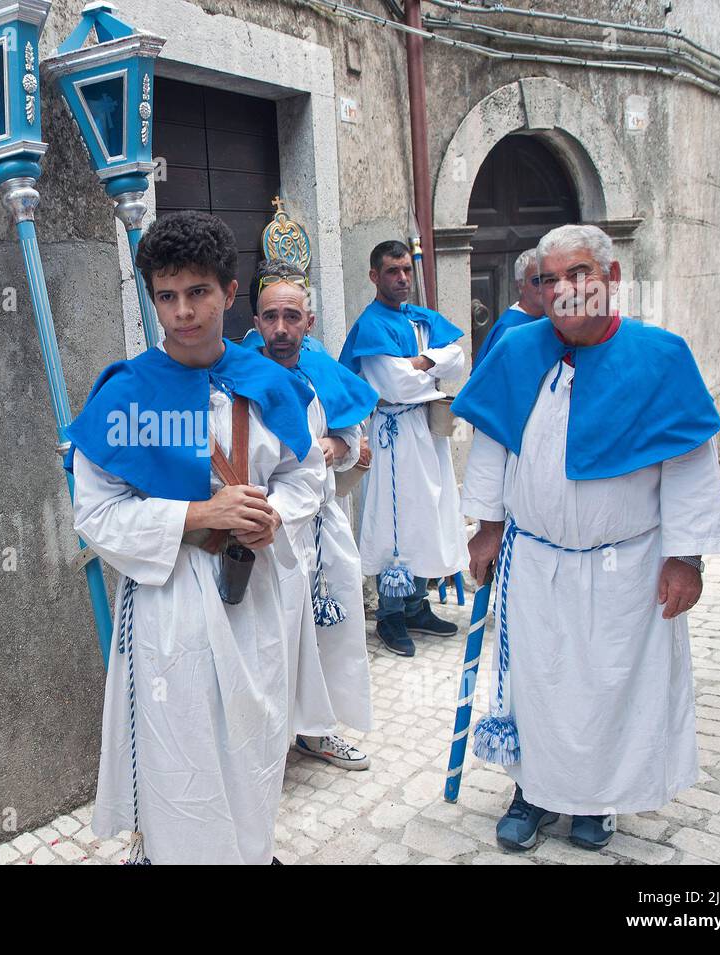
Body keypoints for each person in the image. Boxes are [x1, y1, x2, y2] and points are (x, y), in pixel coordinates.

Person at [453, 224, 720, 851]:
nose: (563, 290)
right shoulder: (517, 349)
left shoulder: (661, 357)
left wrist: (685, 558)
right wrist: (487, 527)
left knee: (610, 686)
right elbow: (492, 442)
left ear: (613, 278)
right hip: (535, 561)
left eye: (578, 274)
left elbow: (689, 464)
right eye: (548, 279)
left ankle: (598, 801)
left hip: (626, 569)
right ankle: (532, 791)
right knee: (536, 682)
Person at [68, 211, 325, 864]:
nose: (183, 311)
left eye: (198, 292)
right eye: (167, 295)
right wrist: (199, 514)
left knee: (253, 737)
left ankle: (250, 851)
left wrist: (275, 515)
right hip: (171, 598)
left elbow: (305, 477)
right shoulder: (125, 396)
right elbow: (96, 516)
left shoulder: (272, 384)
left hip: (253, 592)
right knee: (180, 742)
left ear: (230, 292)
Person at [244, 259, 376, 771]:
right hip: (269, 534)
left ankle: (318, 732)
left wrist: (331, 447)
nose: (281, 328)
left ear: (309, 322)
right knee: (274, 643)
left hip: (323, 527)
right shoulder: (238, 378)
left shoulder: (320, 371)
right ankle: (265, 748)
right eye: (271, 317)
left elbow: (350, 440)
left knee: (333, 636)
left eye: (292, 317)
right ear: (256, 322)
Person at [340, 241, 467, 657]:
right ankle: (391, 614)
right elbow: (397, 385)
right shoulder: (371, 325)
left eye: (407, 270)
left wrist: (420, 363)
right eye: (393, 271)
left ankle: (416, 605)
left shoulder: (420, 317)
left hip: (426, 431)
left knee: (427, 514)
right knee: (395, 520)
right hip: (392, 435)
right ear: (374, 276)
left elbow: (458, 358)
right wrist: (432, 365)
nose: (402, 278)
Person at [473, 247, 544, 367]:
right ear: (520, 284)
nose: (544, 286)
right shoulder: (509, 328)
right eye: (537, 281)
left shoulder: (552, 318)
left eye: (549, 279)